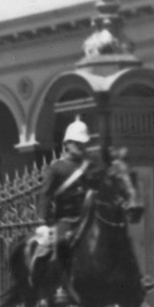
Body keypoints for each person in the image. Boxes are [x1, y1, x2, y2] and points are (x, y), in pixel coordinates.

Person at [33, 118, 104, 283]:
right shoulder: (56, 168)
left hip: (90, 217)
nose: (81, 147)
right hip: (66, 219)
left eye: (83, 144)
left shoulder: (91, 166)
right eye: (77, 144)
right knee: (58, 245)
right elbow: (45, 194)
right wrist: (43, 221)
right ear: (67, 144)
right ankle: (58, 284)